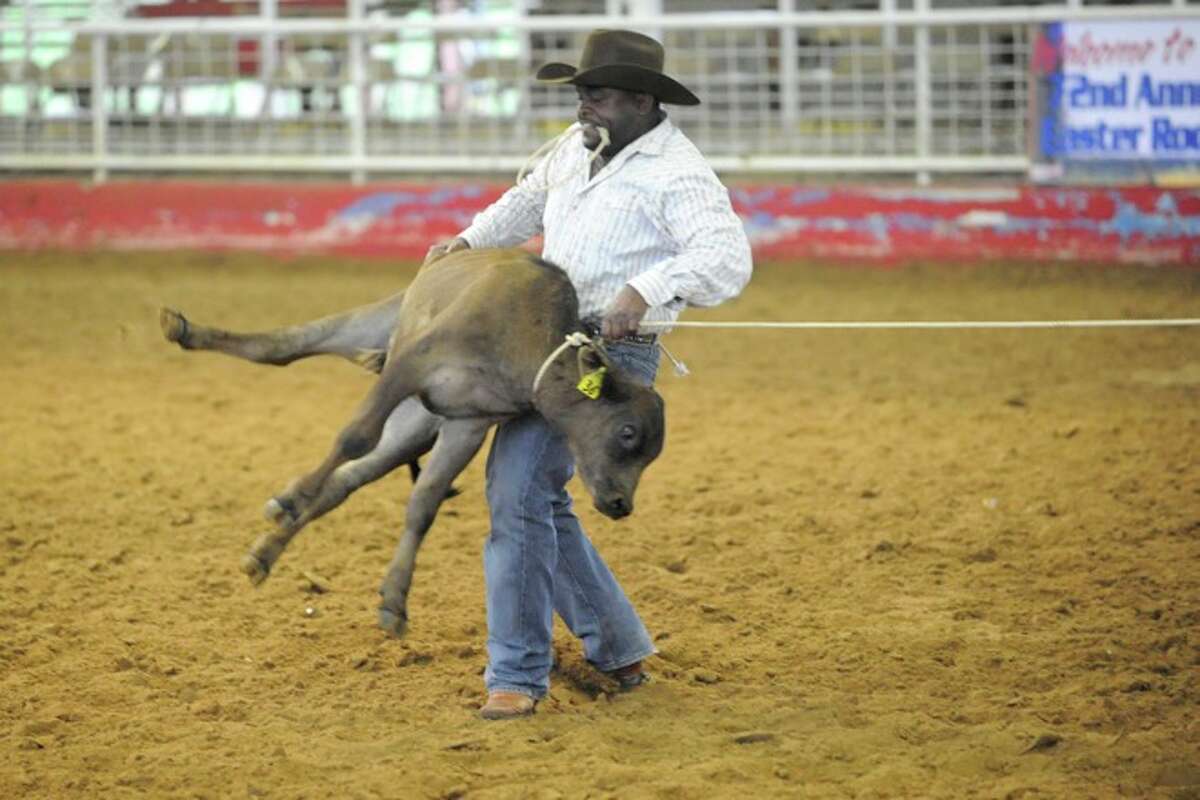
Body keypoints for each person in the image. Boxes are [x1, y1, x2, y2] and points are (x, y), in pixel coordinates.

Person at [426, 29, 753, 720]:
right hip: (544, 347)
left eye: (595, 96)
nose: (583, 109)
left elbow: (727, 259)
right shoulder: (577, 150)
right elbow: (525, 202)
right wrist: (467, 243)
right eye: (580, 95)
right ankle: (619, 648)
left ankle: (515, 673)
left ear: (641, 100)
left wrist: (647, 288)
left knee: (518, 493)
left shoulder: (679, 173)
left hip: (610, 361)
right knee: (536, 500)